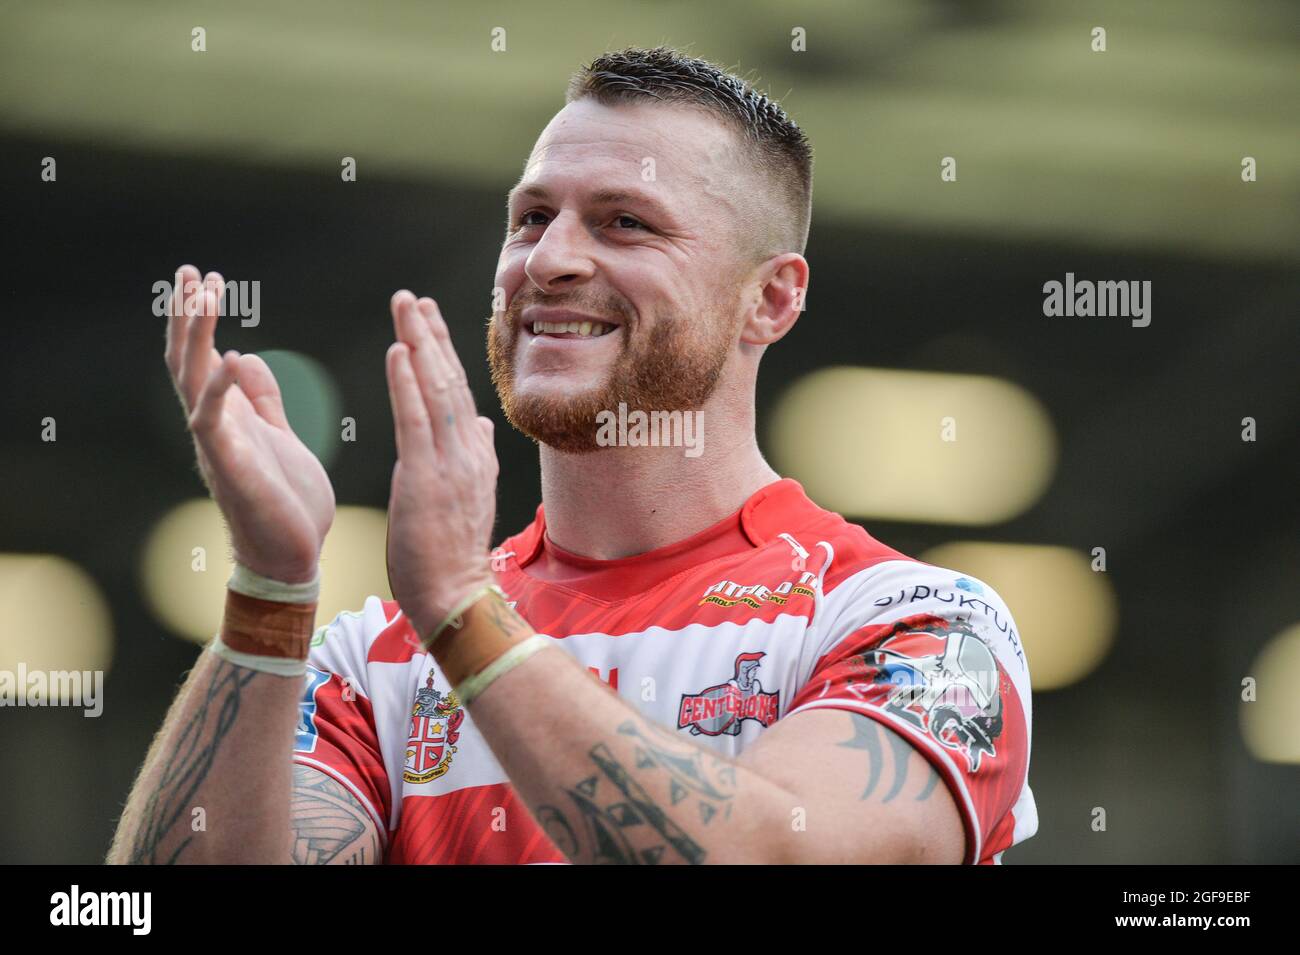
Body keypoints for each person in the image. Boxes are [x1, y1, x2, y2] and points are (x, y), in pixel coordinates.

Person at [109, 46, 1036, 865]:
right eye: (531, 217)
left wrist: (466, 617)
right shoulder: (376, 659)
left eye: (625, 222)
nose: (547, 260)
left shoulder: (923, 626)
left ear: (771, 300)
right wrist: (270, 588)